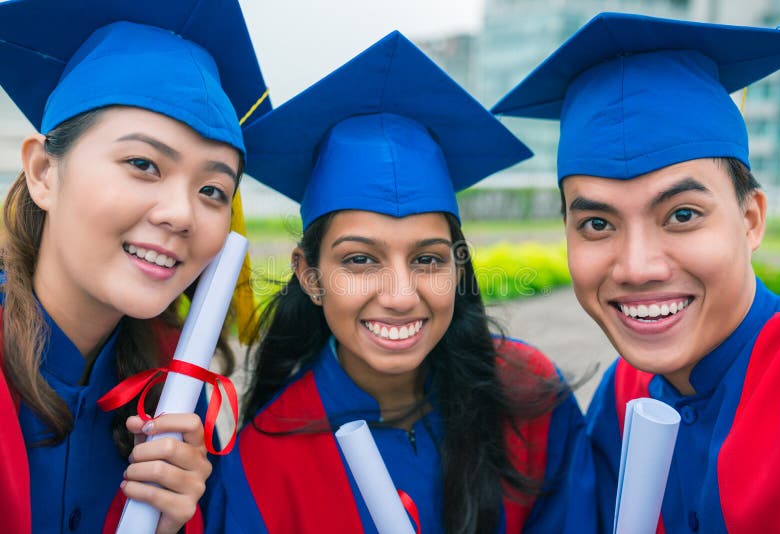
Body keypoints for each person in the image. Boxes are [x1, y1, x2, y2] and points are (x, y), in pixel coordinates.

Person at [204, 31, 596, 533]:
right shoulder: (264, 458)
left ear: (458, 267)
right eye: (361, 260)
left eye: (427, 260)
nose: (399, 296)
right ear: (310, 275)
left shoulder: (528, 395)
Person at [492, 12, 780, 534]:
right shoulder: (624, 392)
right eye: (596, 223)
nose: (637, 267)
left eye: (682, 215)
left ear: (750, 221)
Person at [0, 1, 271, 532]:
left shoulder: (184, 404)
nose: (181, 214)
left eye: (213, 190)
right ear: (42, 173)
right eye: (143, 164)